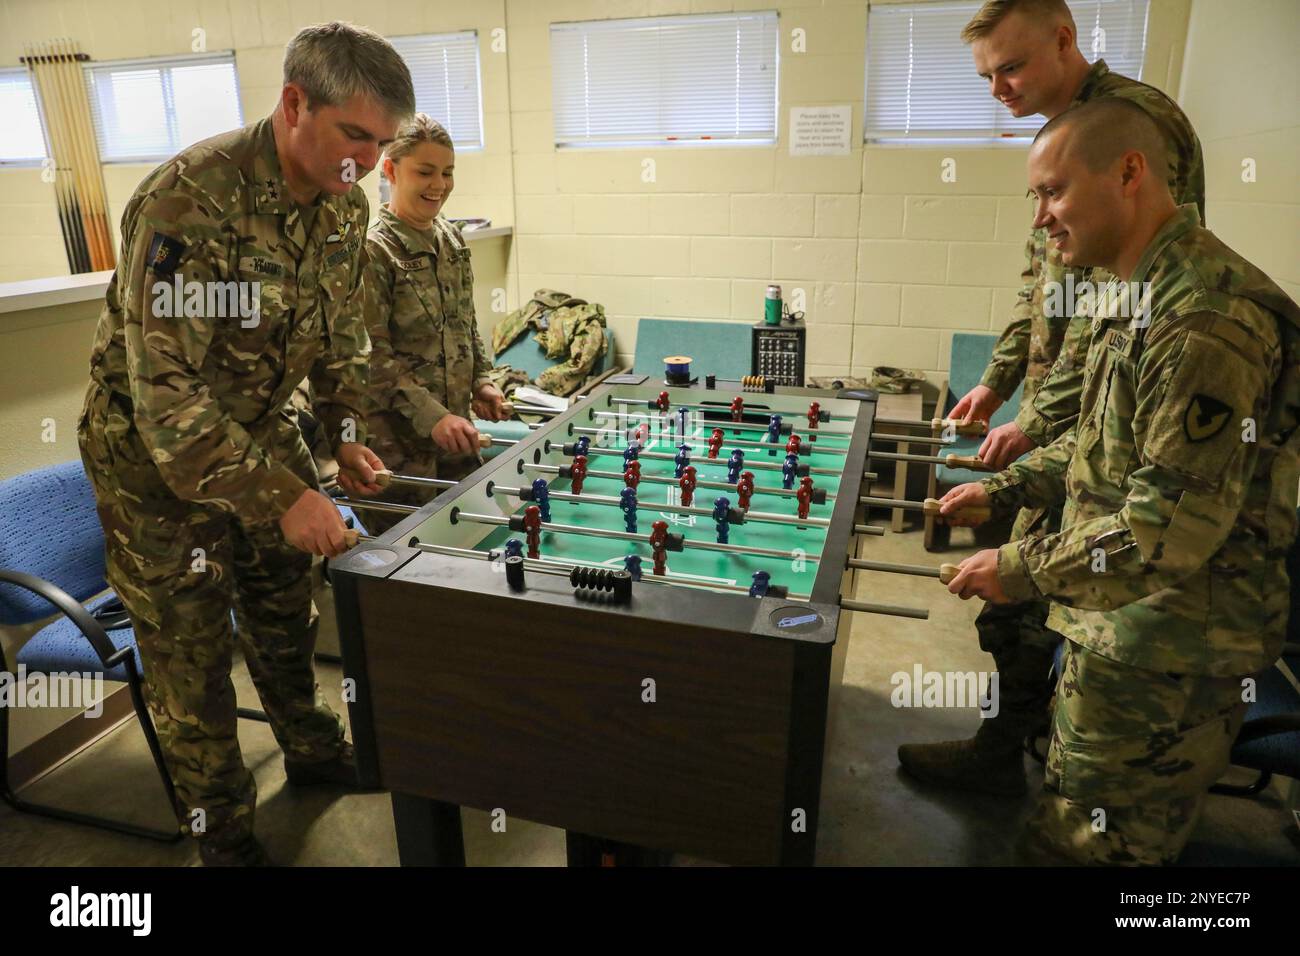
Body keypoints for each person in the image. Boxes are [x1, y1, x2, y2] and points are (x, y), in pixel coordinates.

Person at [76, 22, 413, 865]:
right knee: (189, 650)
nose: (367, 163)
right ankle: (220, 826)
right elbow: (169, 405)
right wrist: (282, 497)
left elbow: (339, 343)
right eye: (354, 136)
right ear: (295, 103)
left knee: (283, 603)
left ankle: (309, 747)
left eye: (382, 144)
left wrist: (341, 439)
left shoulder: (345, 204)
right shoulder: (189, 200)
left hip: (262, 436)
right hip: (153, 464)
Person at [942, 98, 1299, 864]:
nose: (1041, 218)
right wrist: (1005, 492)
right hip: (1123, 627)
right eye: (1035, 196)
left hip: (1170, 645)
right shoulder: (1129, 286)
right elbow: (1101, 444)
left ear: (1129, 172)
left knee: (1091, 850)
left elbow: (1160, 532)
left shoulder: (1203, 319)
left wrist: (1017, 567)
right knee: (1072, 819)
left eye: (1054, 191)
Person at [898, 0, 1205, 796]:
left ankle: (1046, 765)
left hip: (1108, 416)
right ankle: (1019, 746)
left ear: (1065, 39)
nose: (998, 88)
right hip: (1061, 407)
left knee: (1052, 589)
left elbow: (1119, 306)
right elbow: (1044, 291)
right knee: (1017, 596)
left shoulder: (1130, 127)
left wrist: (1035, 424)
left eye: (1012, 66)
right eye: (986, 76)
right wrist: (999, 380)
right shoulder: (1057, 140)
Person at [360, 114, 507, 535]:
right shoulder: (374, 251)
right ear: (390, 169)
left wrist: (483, 380)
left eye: (447, 173)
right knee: (409, 571)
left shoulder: (451, 239)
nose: (438, 185)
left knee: (473, 545)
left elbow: (466, 323)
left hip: (455, 438)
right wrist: (433, 418)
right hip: (399, 451)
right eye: (424, 172)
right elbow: (372, 359)